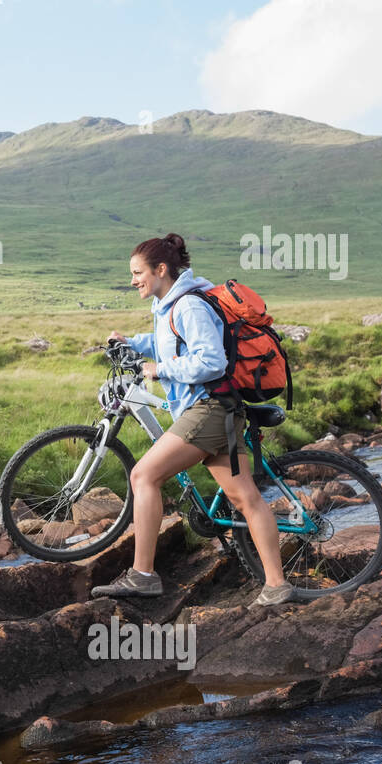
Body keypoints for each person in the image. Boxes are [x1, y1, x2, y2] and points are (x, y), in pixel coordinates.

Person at [91, 233, 298, 607]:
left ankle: (142, 576)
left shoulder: (188, 305)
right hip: (218, 409)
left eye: (138, 272)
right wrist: (133, 343)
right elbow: (170, 341)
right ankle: (277, 585)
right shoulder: (170, 305)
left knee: (143, 476)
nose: (133, 280)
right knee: (245, 498)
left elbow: (211, 361)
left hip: (208, 409)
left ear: (161, 269)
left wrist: (160, 370)